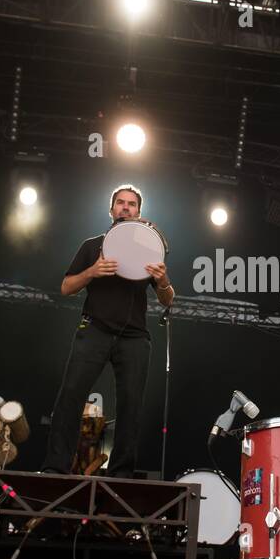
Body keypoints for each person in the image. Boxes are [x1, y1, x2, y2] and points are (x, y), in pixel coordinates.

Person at [41, 185, 173, 478]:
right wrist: (91, 272)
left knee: (131, 407)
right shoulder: (92, 246)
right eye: (121, 203)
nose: (126, 208)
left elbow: (168, 298)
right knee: (70, 397)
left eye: (132, 204)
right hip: (95, 330)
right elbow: (65, 287)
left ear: (139, 212)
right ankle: (54, 469)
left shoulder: (149, 249)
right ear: (111, 209)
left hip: (135, 338)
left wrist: (163, 281)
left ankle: (121, 475)